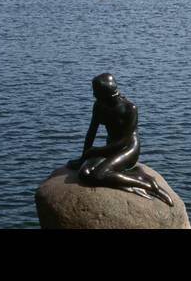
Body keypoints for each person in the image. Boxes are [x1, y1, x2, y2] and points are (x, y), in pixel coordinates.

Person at [66, 73, 173, 205]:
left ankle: (146, 183)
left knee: (99, 175)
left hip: (127, 149)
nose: (93, 95)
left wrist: (96, 151)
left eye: (96, 92)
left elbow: (124, 141)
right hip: (110, 148)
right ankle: (132, 176)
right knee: (84, 174)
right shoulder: (99, 105)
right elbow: (91, 131)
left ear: (106, 93)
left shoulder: (129, 108)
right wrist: (83, 157)